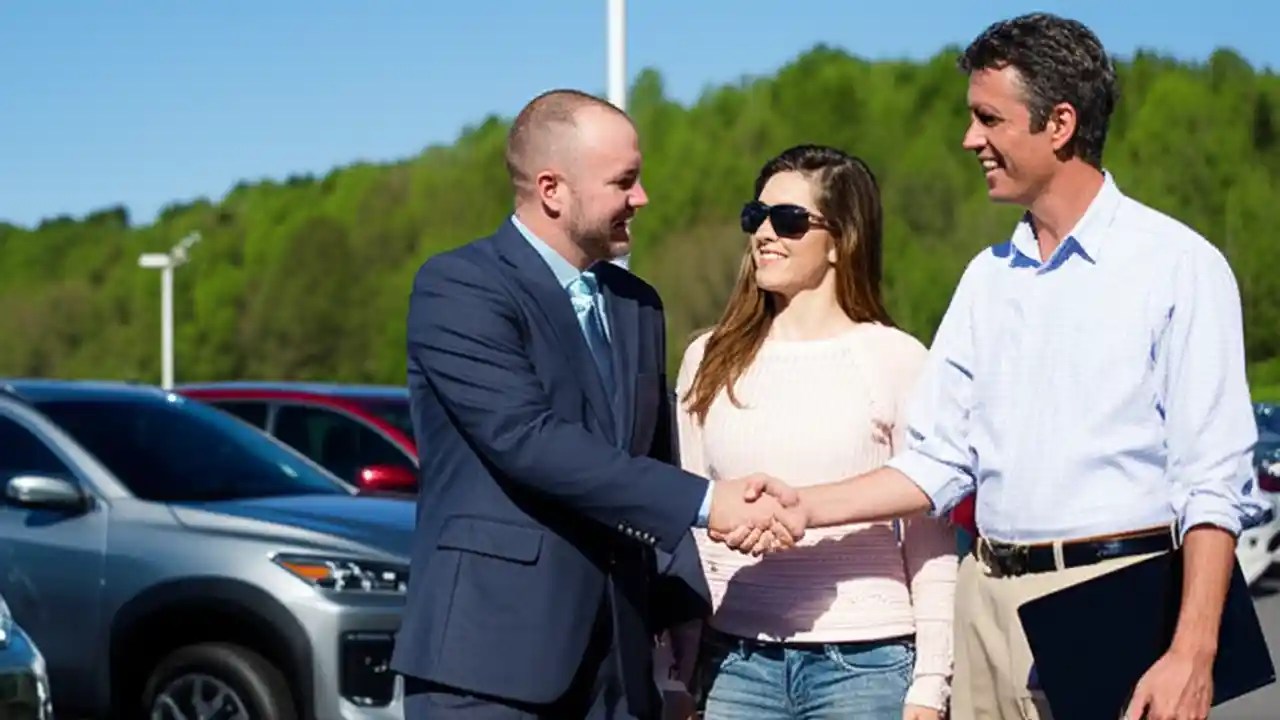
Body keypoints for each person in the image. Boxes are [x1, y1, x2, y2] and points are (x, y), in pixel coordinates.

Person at [729, 13, 1270, 720]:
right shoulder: (987, 277)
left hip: (1117, 604)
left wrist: (1192, 653)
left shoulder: (1177, 266)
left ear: (1060, 124)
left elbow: (1211, 482)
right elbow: (938, 461)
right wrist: (807, 505)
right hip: (983, 600)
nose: (969, 140)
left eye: (989, 119)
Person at [390, 88, 805, 720]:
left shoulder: (638, 304)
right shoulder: (460, 286)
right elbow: (528, 439)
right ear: (552, 190)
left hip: (618, 667)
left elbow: (650, 457)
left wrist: (681, 599)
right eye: (624, 182)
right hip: (488, 666)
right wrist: (705, 504)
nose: (640, 199)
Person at [666, 145, 957, 720]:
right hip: (734, 667)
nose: (765, 234)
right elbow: (687, 522)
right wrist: (674, 670)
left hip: (867, 670)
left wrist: (931, 684)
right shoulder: (707, 358)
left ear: (840, 240)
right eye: (756, 217)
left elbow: (930, 534)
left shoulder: (898, 359)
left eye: (789, 220)